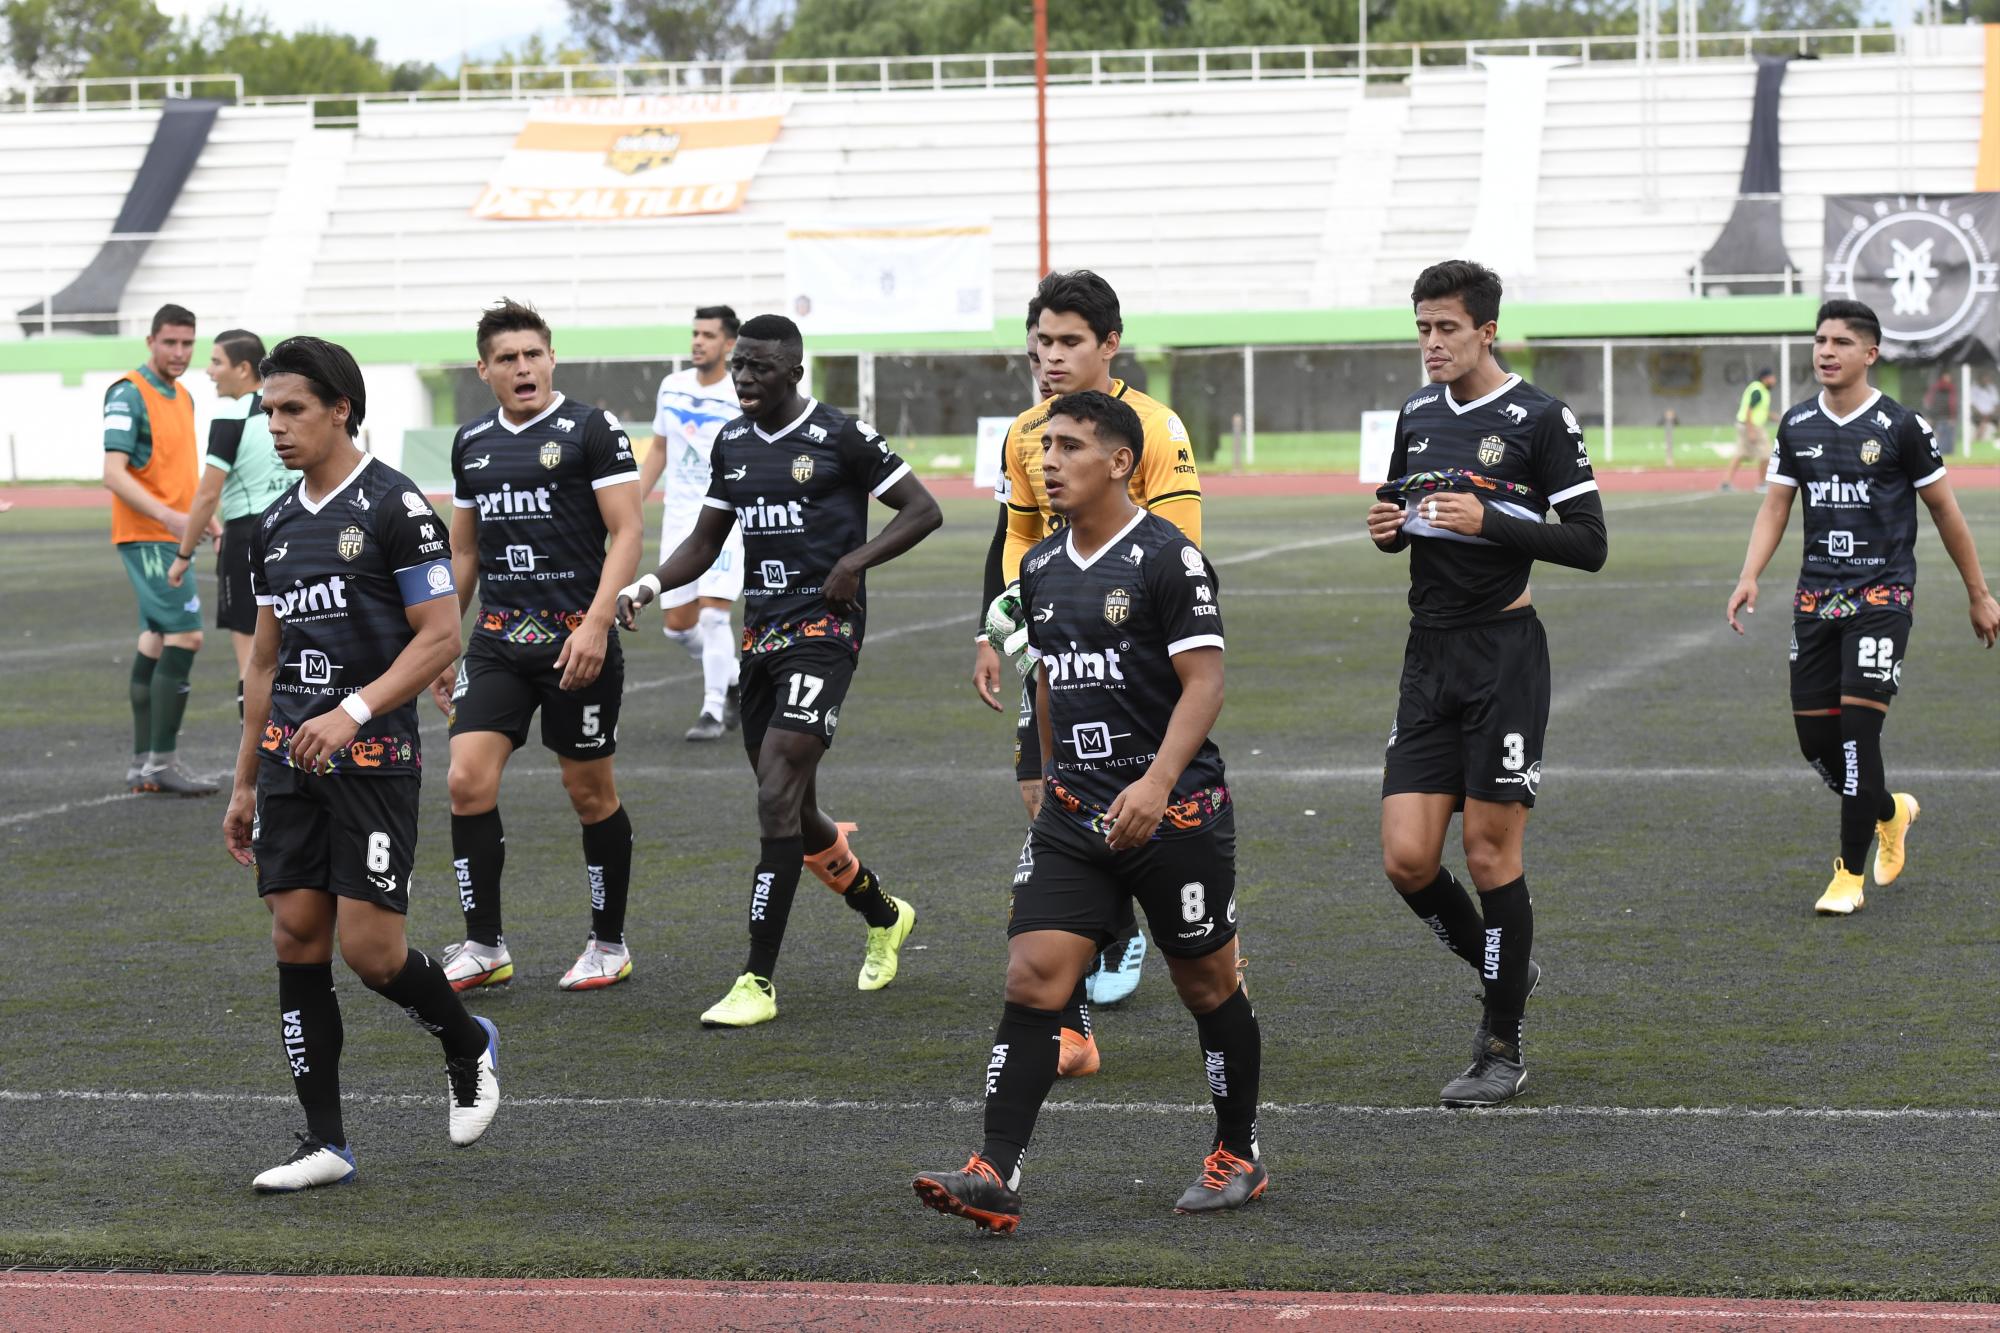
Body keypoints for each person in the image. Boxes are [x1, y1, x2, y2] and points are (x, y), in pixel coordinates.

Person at [913, 390, 1260, 1232]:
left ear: (1118, 462)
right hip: (1075, 815)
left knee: (1208, 984)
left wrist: (1154, 784)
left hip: (1173, 814)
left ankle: (1238, 1153)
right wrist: (1044, 770)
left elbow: (1205, 682)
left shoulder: (1167, 560)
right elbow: (1048, 676)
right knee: (1032, 976)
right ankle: (993, 1169)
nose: (1047, 460)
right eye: (1044, 446)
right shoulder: (1035, 568)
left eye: (1069, 445)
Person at [222, 335, 499, 1192]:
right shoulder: (271, 525)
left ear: (341, 407)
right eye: (267, 411)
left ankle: (467, 1040)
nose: (276, 426)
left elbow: (441, 637)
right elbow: (263, 663)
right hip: (287, 763)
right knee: (296, 936)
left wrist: (353, 709)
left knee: (373, 955)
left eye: (292, 408)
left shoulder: (394, 506)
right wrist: (241, 779)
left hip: (372, 760)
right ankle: (325, 1141)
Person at [616, 314, 942, 1027]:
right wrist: (647, 585)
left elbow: (923, 509)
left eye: (759, 368)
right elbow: (706, 540)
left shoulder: (842, 435)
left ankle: (757, 980)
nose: (744, 381)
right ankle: (883, 913)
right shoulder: (731, 442)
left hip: (825, 632)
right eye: (739, 369)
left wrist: (855, 561)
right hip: (762, 632)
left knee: (774, 792)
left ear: (794, 370)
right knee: (794, 805)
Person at [1364, 259, 1607, 1108]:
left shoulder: (1540, 418)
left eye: (1446, 329)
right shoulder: (1417, 413)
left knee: (1490, 853)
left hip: (1503, 652)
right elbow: (1404, 511)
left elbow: (1589, 540)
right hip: (1427, 654)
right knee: (1405, 858)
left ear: (1486, 330)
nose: (1431, 344)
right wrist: (1389, 528)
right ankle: (1508, 966)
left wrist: (1496, 518)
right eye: (1422, 328)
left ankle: (1501, 1043)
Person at [973, 270, 1205, 1077]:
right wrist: (998, 627)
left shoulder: (1155, 428)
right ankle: (1070, 1016)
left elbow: (1179, 555)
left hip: (1136, 666)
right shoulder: (1025, 434)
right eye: (1040, 341)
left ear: (1109, 344)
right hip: (1054, 650)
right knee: (1045, 799)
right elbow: (1018, 539)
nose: (1051, 356)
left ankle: (1177, 939)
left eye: (1069, 340)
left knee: (1152, 814)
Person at [1726, 300, 1998, 915]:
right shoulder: (1796, 424)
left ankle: (1847, 875)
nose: (1826, 351)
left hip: (1883, 596)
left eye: (1841, 342)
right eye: (1820, 340)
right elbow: (1776, 507)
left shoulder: (1903, 427)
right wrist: (1749, 575)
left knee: (1857, 734)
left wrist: (1977, 593)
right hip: (1814, 599)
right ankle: (1891, 810)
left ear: (1869, 354)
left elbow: (1945, 512)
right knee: (1815, 741)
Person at [429, 300, 645, 994]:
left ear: (552, 356)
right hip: (498, 641)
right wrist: (440, 644)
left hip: (574, 643)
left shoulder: (591, 429)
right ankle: (485, 944)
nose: (523, 368)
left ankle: (608, 942)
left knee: (588, 793)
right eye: (507, 359)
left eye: (533, 354)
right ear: (484, 368)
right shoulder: (471, 443)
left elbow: (629, 532)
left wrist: (596, 622)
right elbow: (463, 548)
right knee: (466, 782)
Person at [102, 303, 218, 795]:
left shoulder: (185, 396)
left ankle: (142, 763)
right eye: (170, 342)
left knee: (154, 639)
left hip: (173, 532)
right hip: (148, 537)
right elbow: (112, 472)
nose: (179, 352)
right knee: (187, 636)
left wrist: (198, 514)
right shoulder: (128, 394)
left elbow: (176, 471)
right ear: (150, 341)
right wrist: (171, 518)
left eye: (187, 343)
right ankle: (161, 763)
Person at [169, 329, 291, 720]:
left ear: (243, 368)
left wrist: (183, 555)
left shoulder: (230, 415)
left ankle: (256, 769)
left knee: (253, 660)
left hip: (249, 540)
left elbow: (207, 495)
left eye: (216, 362)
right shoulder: (289, 408)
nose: (208, 371)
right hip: (297, 531)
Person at [638, 305, 745, 741]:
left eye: (708, 335)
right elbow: (659, 451)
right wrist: (632, 505)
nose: (698, 341)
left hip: (725, 518)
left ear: (729, 344)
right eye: (695, 333)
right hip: (680, 519)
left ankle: (713, 710)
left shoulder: (742, 391)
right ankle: (736, 676)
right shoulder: (672, 386)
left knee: (716, 618)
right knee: (678, 626)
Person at [1721, 367, 1777, 493]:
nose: (1774, 380)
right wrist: (1751, 431)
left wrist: (1775, 417)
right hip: (1751, 426)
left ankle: (1725, 483)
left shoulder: (1760, 389)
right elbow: (1749, 410)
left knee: (1740, 454)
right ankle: (1762, 484)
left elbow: (1760, 410)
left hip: (1745, 425)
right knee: (1766, 453)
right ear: (1765, 378)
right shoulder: (1758, 391)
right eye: (1772, 378)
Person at [1969, 372, 1997, 447]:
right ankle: (1976, 442)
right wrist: (1982, 415)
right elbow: (1972, 405)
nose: (1986, 380)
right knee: (1983, 423)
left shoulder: (1992, 388)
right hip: (1977, 416)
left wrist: (1991, 413)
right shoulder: (1974, 388)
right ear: (1980, 379)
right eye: (1984, 378)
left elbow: (1996, 404)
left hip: (1991, 415)